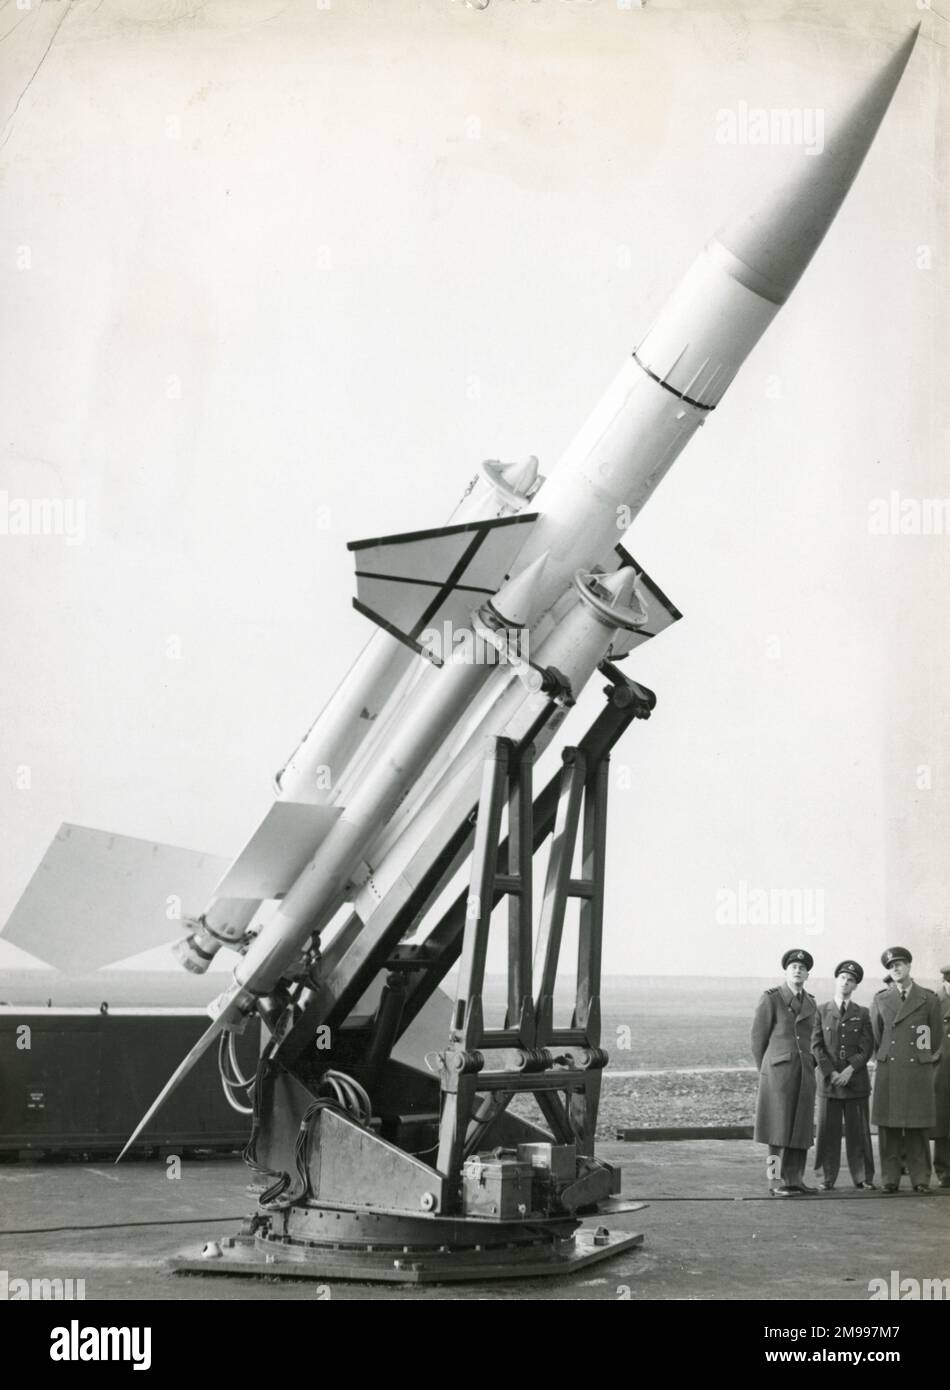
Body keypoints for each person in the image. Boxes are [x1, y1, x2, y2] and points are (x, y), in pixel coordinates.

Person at [870, 947, 944, 1192]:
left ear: (910, 966)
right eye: (891, 966)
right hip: (889, 1069)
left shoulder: (928, 999)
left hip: (917, 1070)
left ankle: (920, 1179)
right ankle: (890, 1180)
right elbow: (876, 1036)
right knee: (888, 1127)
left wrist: (919, 1056)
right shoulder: (881, 999)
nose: (896, 969)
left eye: (900, 964)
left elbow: (932, 1037)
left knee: (918, 1126)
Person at [751, 948, 818, 1196]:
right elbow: (758, 1040)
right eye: (793, 967)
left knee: (800, 1129)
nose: (798, 970)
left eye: (802, 967)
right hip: (778, 1074)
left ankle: (795, 1179)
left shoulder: (810, 1002)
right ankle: (775, 1181)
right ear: (786, 971)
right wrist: (766, 1072)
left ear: (808, 974)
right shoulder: (772, 998)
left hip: (804, 1073)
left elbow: (813, 1038)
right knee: (777, 1131)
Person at [812, 960, 875, 1189]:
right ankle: (825, 1178)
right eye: (842, 978)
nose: (845, 983)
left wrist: (849, 1070)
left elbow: (866, 1047)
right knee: (828, 1134)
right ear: (836, 980)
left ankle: (863, 1178)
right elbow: (817, 1046)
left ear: (855, 986)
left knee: (859, 1134)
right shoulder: (821, 1010)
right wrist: (832, 1072)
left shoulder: (863, 1013)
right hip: (829, 1084)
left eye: (850, 980)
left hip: (855, 1082)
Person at [931, 965, 950, 1188]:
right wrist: (928, 1053)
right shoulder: (933, 1001)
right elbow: (921, 1029)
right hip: (941, 1068)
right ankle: (945, 1170)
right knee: (943, 1120)